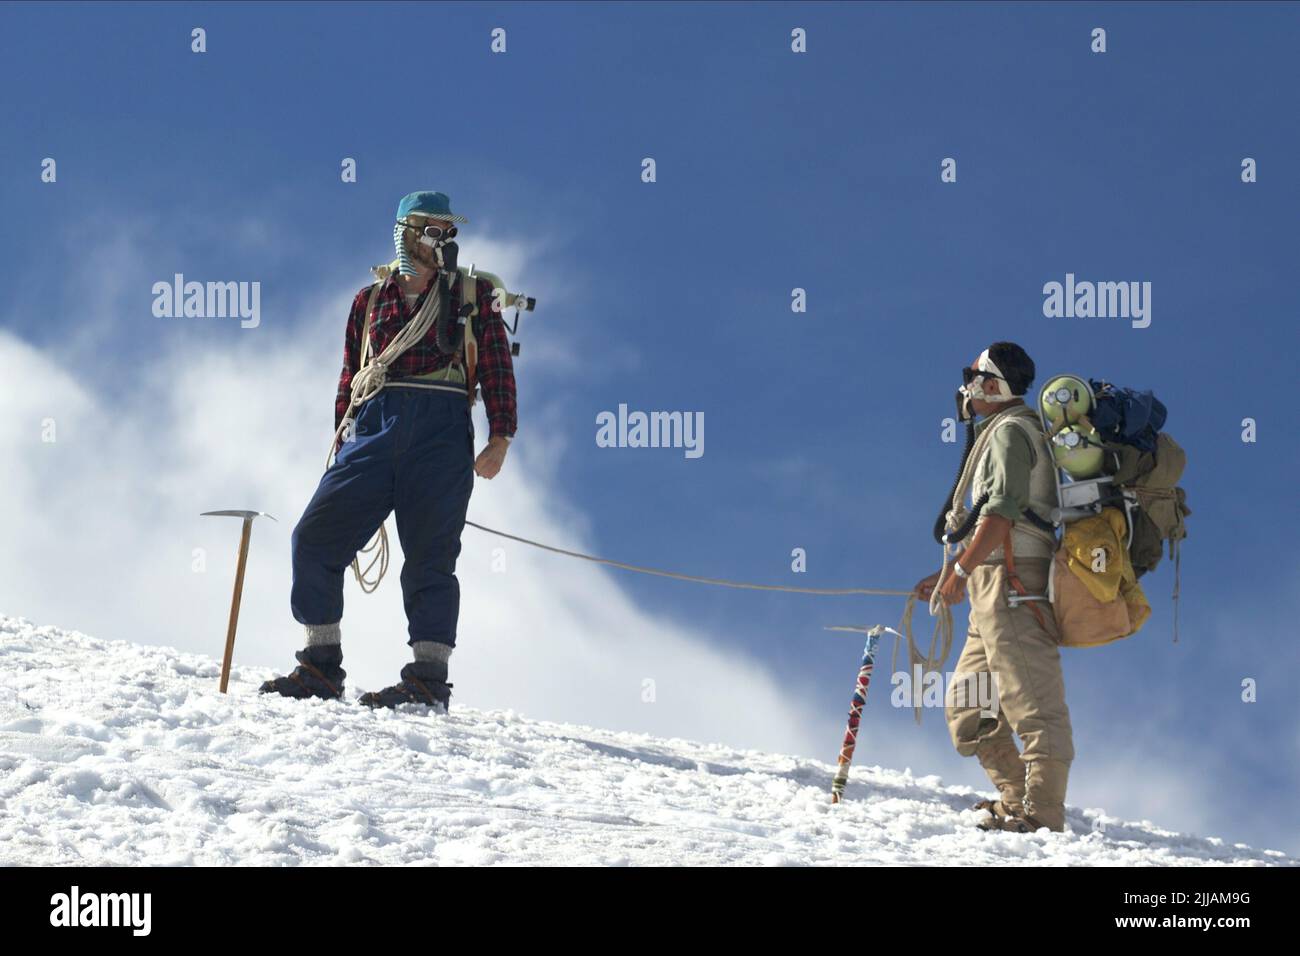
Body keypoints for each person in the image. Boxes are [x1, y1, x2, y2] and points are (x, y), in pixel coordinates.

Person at [260, 191, 517, 710]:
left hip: (441, 434)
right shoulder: (369, 300)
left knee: (430, 559)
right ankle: (319, 666)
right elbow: (351, 373)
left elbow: (494, 365)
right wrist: (344, 437)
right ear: (405, 231)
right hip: (374, 427)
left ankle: (427, 680)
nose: (442, 240)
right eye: (432, 230)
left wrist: (500, 436)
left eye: (448, 232)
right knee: (313, 538)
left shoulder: (473, 295)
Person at [914, 342, 1073, 833]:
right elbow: (988, 517)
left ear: (990, 385)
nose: (965, 387)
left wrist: (960, 571)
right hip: (990, 584)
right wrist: (953, 574)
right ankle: (1015, 797)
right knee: (968, 706)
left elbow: (1003, 512)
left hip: (1013, 581)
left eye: (973, 376)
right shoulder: (1000, 431)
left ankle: (1043, 813)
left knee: (1033, 703)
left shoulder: (1010, 432)